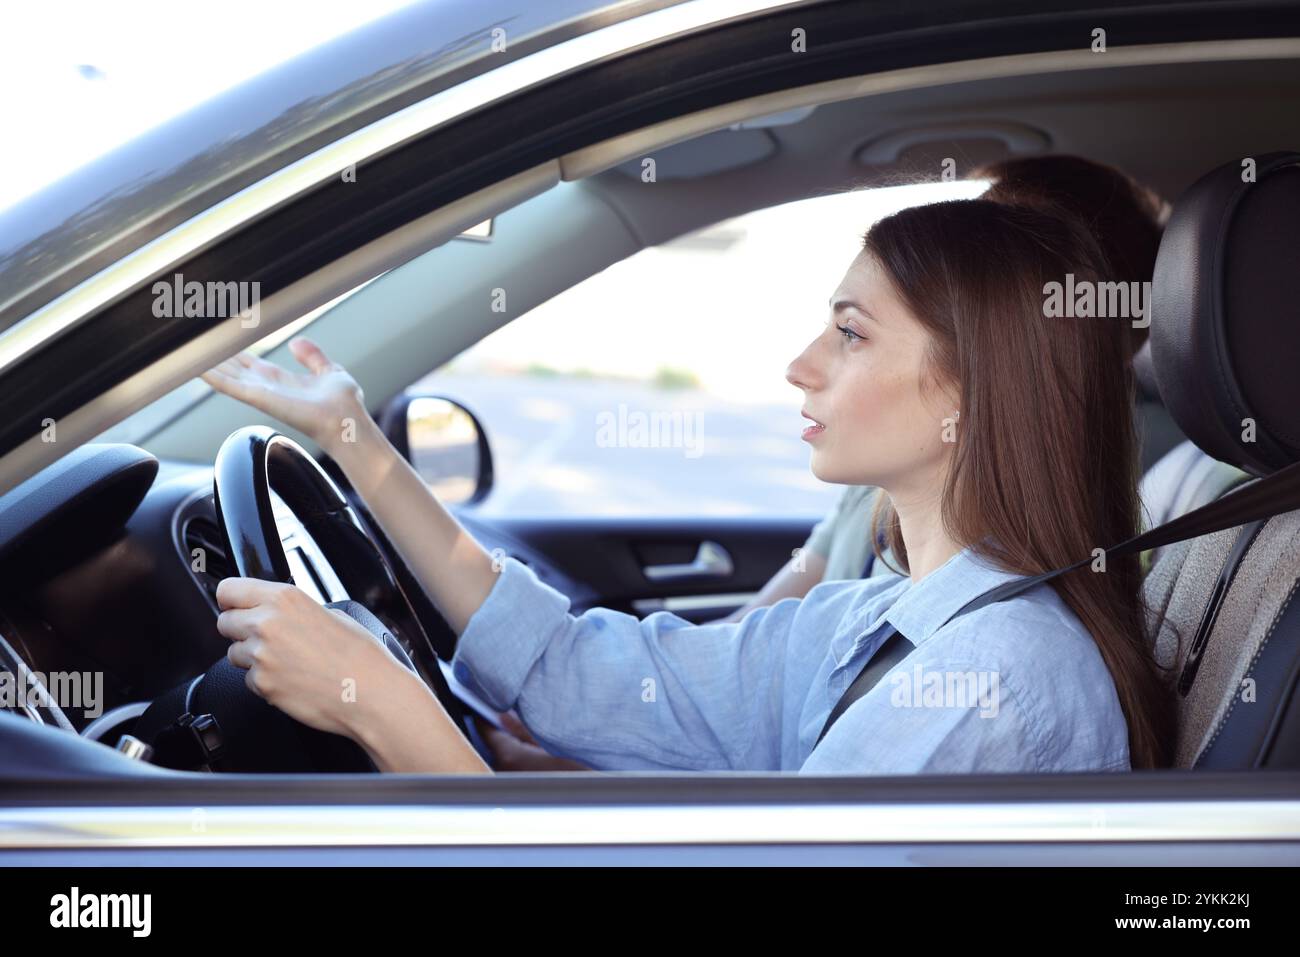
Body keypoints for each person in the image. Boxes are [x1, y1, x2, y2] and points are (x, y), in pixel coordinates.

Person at [201, 197, 1175, 774]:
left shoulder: (993, 686)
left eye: (849, 332)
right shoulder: (878, 622)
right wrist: (353, 437)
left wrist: (378, 703)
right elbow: (575, 670)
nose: (799, 365)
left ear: (971, 390)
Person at [721, 155, 1169, 619]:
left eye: (1013, 264)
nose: (956, 277)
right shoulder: (886, 474)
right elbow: (757, 638)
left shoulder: (1013, 621)